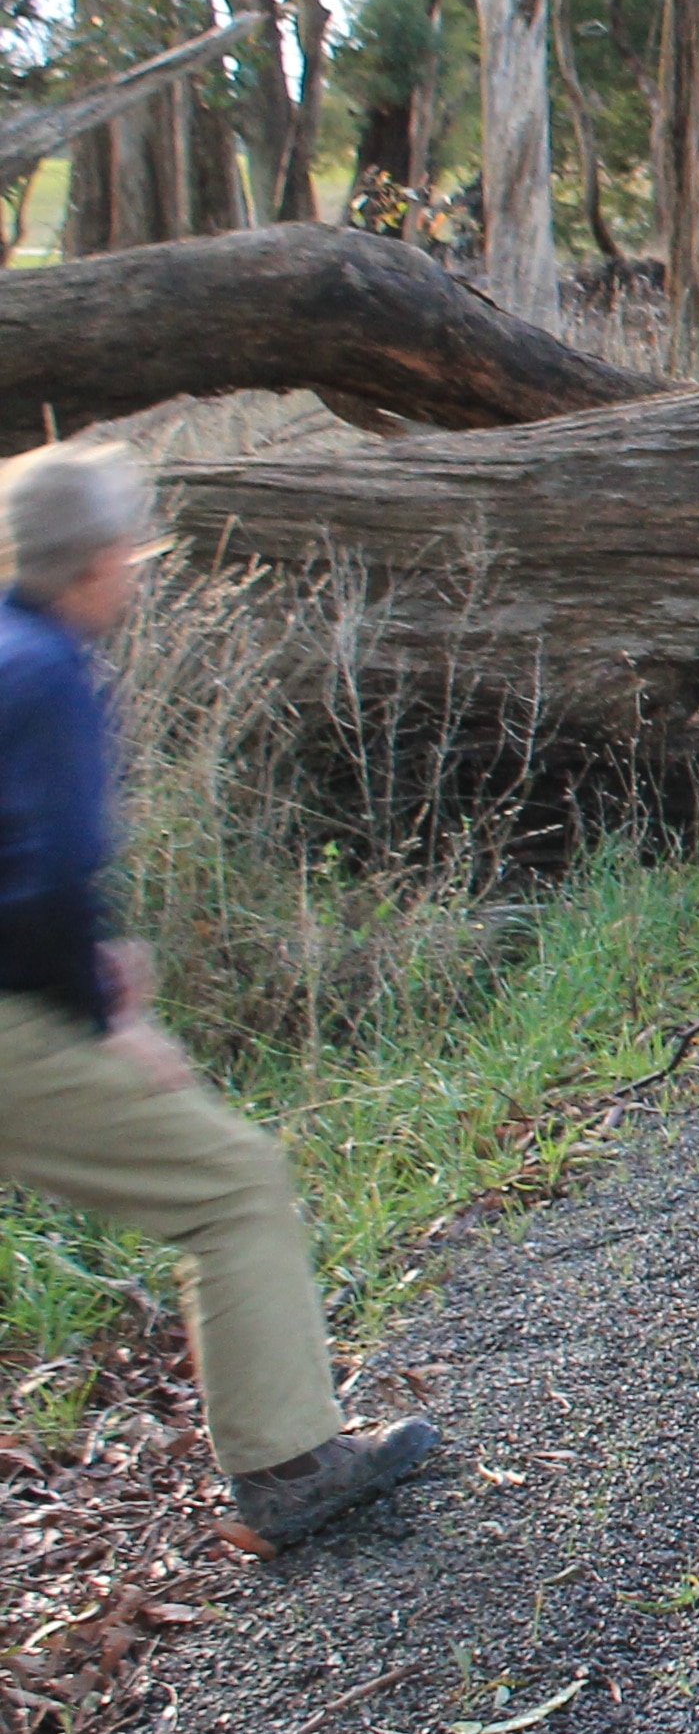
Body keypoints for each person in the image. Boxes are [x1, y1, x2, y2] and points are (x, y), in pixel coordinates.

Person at [0, 439, 438, 1548]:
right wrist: (104, 1019)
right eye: (135, 549)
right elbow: (44, 873)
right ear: (100, 559)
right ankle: (288, 1463)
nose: (142, 571)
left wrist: (98, 958)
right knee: (234, 1183)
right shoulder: (48, 670)